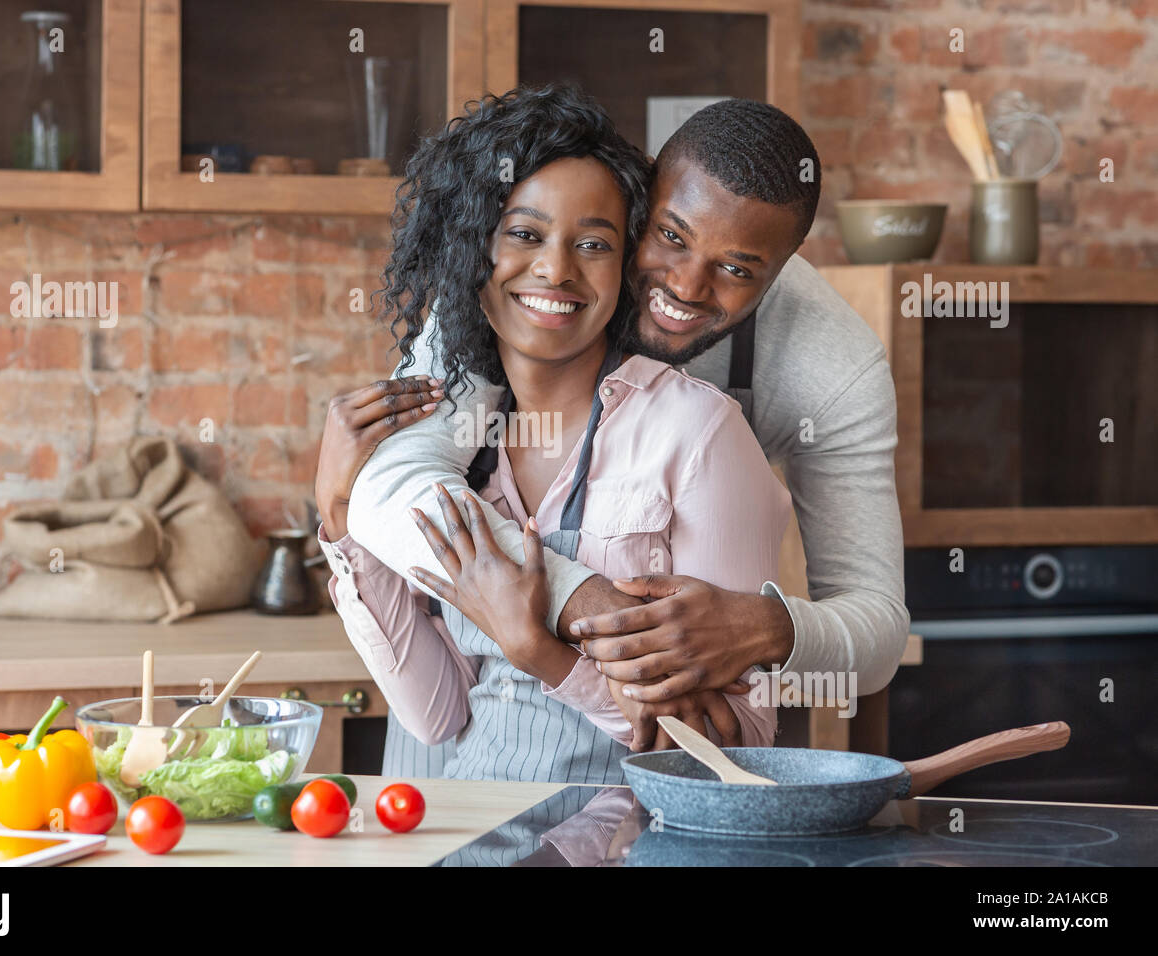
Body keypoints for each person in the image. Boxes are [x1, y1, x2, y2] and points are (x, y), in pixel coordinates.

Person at [339, 94, 909, 772]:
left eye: (737, 269)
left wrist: (765, 625)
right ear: (637, 201)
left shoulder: (827, 372)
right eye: (670, 236)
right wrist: (586, 604)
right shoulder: (528, 294)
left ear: (781, 273)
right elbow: (392, 486)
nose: (686, 287)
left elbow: (875, 630)